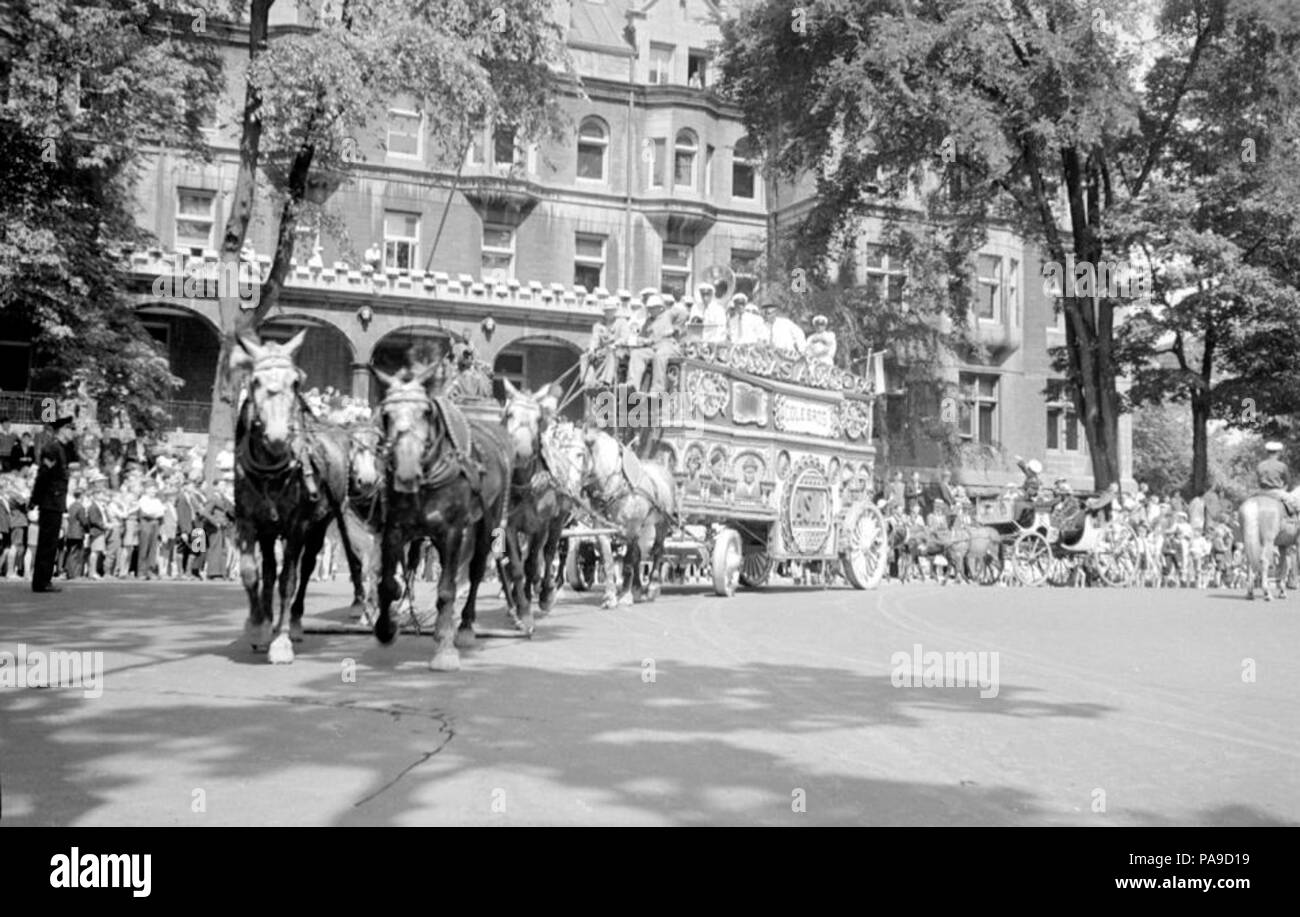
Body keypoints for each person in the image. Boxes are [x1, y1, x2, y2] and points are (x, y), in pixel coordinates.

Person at [28, 413, 76, 592]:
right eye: (71, 429)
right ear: (62, 430)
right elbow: (43, 476)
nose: (73, 432)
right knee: (47, 543)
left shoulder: (62, 448)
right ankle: (41, 581)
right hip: (50, 501)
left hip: (55, 501)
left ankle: (44, 579)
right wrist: (35, 500)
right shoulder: (52, 448)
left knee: (51, 542)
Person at [626, 294, 685, 393]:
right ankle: (632, 385)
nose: (650, 310)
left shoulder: (668, 314)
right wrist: (641, 340)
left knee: (659, 356)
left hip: (667, 344)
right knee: (636, 354)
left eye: (653, 308)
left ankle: (657, 389)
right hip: (652, 347)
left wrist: (676, 328)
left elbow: (683, 314)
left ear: (660, 307)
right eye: (649, 308)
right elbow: (642, 336)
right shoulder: (648, 322)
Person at [582, 298, 630, 388]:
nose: (609, 313)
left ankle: (605, 381)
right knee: (585, 357)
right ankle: (587, 382)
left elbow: (625, 337)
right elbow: (594, 339)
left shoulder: (622, 322)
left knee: (610, 351)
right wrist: (591, 350)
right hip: (602, 351)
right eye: (607, 310)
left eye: (611, 310)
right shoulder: (598, 325)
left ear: (615, 311)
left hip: (618, 351)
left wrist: (615, 344)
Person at [1257, 441, 1300, 514]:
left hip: (1261, 492)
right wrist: (1284, 490)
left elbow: (1258, 481)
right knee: (1297, 505)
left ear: (1268, 452)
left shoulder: (1260, 465)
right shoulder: (1282, 466)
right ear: (1278, 453)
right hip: (1277, 492)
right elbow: (1288, 482)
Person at [136, 481, 166, 581]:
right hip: (146, 523)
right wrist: (156, 512)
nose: (154, 491)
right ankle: (141, 571)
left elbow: (161, 512)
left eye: (155, 489)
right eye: (152, 489)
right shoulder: (143, 500)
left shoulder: (157, 500)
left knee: (153, 549)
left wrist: (156, 512)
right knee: (144, 548)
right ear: (146, 490)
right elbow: (147, 512)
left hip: (155, 523)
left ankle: (150, 570)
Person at [85, 479, 110, 580]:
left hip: (100, 531)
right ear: (96, 495)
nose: (103, 496)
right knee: (95, 552)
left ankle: (93, 571)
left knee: (97, 552)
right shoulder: (93, 506)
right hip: (96, 531)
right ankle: (92, 572)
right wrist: (104, 525)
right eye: (101, 494)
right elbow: (94, 519)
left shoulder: (100, 506)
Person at [63, 488, 87, 580]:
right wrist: (87, 529)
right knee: (77, 554)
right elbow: (83, 521)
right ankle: (75, 574)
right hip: (78, 532)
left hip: (70, 531)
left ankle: (69, 572)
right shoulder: (80, 507)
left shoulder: (71, 506)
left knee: (71, 553)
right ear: (81, 496)